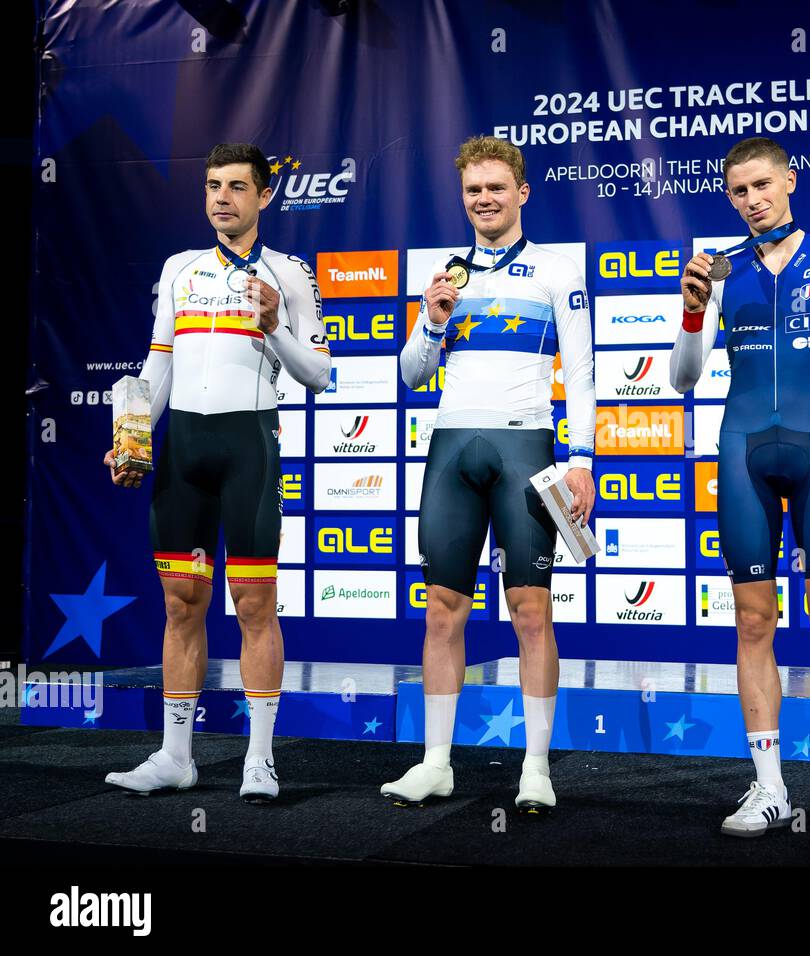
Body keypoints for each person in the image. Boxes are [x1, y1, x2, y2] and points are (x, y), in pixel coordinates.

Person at [670, 136, 810, 843]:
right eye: (738, 191)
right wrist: (689, 311)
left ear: (789, 180)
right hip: (741, 452)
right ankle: (769, 789)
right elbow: (682, 378)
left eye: (762, 185)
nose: (752, 200)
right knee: (751, 623)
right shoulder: (718, 268)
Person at [102, 143, 331, 801]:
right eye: (211, 185)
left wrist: (274, 326)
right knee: (181, 603)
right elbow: (158, 368)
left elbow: (319, 374)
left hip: (249, 451)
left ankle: (259, 760)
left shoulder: (289, 274)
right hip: (183, 454)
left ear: (264, 196)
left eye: (235, 186)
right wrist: (129, 438)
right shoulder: (180, 268)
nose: (220, 197)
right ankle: (176, 757)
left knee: (254, 604)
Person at [383, 136, 595, 812]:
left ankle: (536, 768)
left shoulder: (559, 271)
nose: (484, 200)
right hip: (451, 450)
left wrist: (583, 460)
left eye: (496, 188)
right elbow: (411, 374)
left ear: (522, 193)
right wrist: (432, 321)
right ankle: (436, 763)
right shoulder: (447, 274)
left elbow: (584, 375)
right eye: (474, 190)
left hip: (523, 449)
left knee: (530, 611)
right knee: (442, 611)